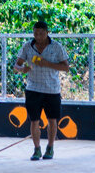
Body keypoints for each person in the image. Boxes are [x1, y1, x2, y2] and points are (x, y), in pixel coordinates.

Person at [13, 19, 71, 162]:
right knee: (34, 120)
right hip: (33, 88)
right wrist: (22, 69)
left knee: (52, 120)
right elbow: (16, 65)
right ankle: (37, 149)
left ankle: (50, 147)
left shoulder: (57, 47)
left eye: (41, 33)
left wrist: (47, 64)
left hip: (52, 89)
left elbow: (66, 67)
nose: (38, 37)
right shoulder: (27, 46)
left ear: (47, 33)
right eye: (35, 34)